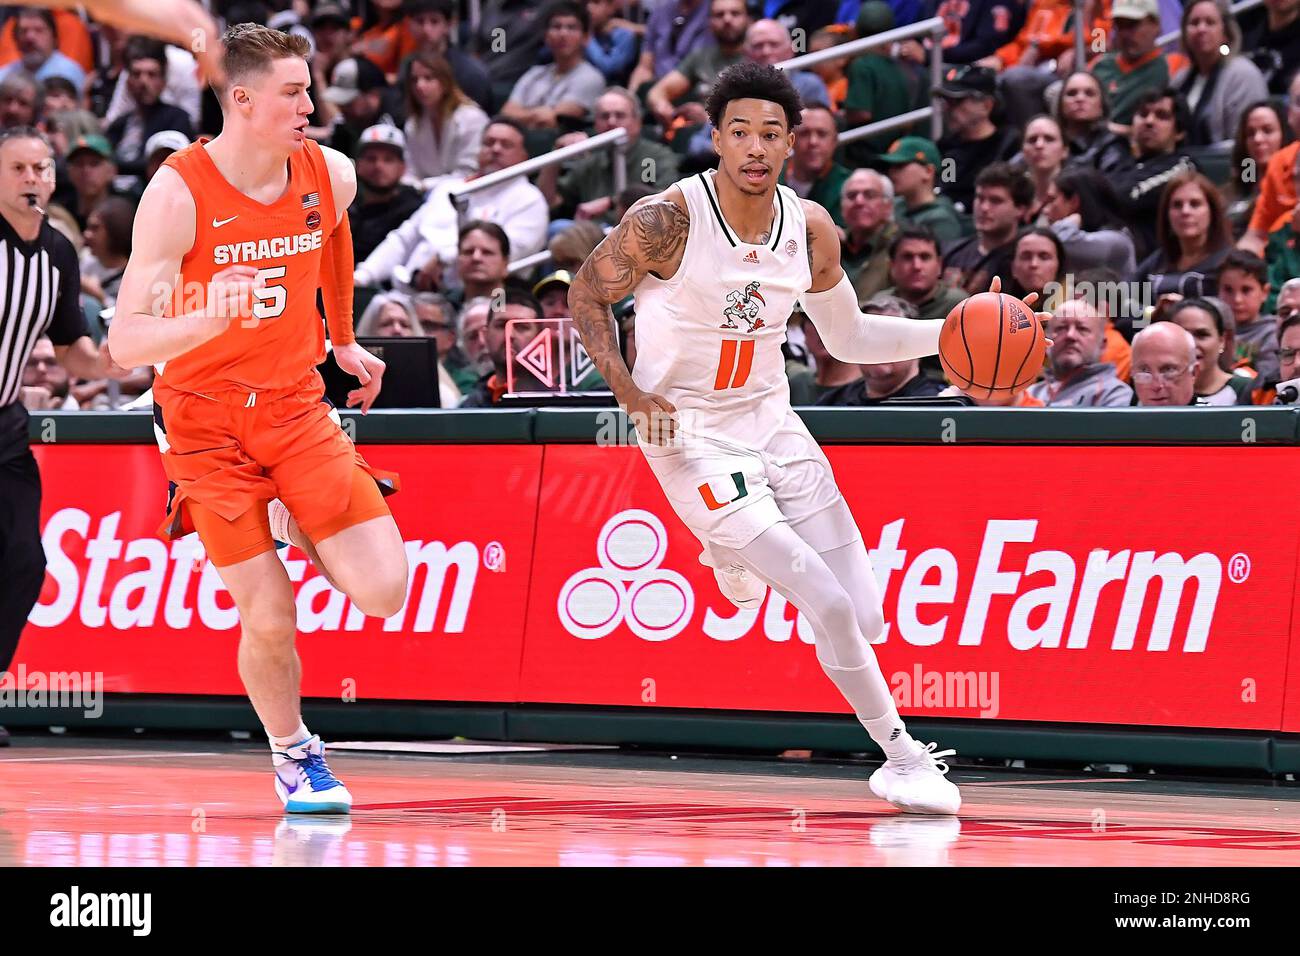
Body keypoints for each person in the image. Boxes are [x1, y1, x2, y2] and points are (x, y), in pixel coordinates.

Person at [568, 61, 1049, 815]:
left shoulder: (812, 227)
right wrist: (628, 391)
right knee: (821, 599)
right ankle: (901, 756)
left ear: (792, 143)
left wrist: (960, 333)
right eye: (739, 133)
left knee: (865, 616)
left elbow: (849, 335)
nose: (754, 148)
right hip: (688, 431)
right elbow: (587, 291)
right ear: (717, 139)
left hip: (773, 421)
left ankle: (725, 546)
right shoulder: (667, 219)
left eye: (770, 134)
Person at [107, 24, 409, 813]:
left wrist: (342, 338)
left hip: (294, 405)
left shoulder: (328, 172)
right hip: (204, 425)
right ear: (242, 101)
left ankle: (287, 512)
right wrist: (205, 320)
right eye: (294, 92)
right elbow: (123, 342)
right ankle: (295, 754)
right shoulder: (177, 193)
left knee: (383, 591)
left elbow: (334, 238)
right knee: (271, 613)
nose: (313, 103)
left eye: (309, 88)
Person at [0, 126, 131, 747]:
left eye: (41, 169)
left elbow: (70, 349)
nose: (32, 179)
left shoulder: (57, 252)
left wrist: (107, 362)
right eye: (19, 168)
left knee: (25, 560)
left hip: (5, 423)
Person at [353, 120, 548, 287]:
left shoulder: (530, 199)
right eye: (489, 143)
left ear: (524, 155)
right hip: (412, 290)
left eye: (506, 145)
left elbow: (506, 254)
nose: (495, 149)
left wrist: (444, 258)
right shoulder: (449, 188)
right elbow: (404, 239)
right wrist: (364, 276)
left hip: (488, 295)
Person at [1111, 88, 1198, 258]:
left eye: (1162, 116)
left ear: (1179, 132)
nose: (1149, 121)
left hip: (1157, 267)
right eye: (1143, 114)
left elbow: (1128, 196)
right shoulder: (1125, 165)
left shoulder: (1183, 166)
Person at [1172, 0, 1268, 147]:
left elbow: (1245, 144)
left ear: (1226, 34)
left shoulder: (1242, 74)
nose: (1201, 29)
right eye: (1194, 23)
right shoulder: (1180, 79)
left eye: (1210, 22)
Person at [816, 295, 944, 405]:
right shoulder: (832, 402)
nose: (877, 345)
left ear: (918, 345)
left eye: (890, 336)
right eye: (868, 338)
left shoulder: (939, 402)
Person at [500, 1, 605, 133]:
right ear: (546, 36)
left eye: (571, 27)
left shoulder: (591, 78)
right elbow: (505, 113)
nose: (563, 34)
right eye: (556, 27)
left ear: (585, 37)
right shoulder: (535, 73)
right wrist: (536, 114)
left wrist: (522, 115)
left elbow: (554, 118)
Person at [1133, 169, 1232, 304]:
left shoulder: (1228, 262)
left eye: (1195, 204)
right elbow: (1119, 300)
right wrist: (1150, 314)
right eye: (1177, 205)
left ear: (1212, 212)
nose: (1185, 212)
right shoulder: (1159, 259)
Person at [104, 37, 194, 181]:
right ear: (128, 82)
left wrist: (117, 167)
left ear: (163, 82)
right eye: (136, 74)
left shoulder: (177, 119)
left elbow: (164, 166)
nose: (143, 82)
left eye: (151, 75)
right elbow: (103, 161)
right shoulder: (119, 123)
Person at [934, 65, 1021, 213]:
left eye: (957, 101)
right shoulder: (948, 148)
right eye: (946, 102)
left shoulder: (1008, 144)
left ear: (986, 106)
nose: (949, 109)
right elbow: (946, 189)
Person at [1090, 0, 1188, 129]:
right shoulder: (1099, 65)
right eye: (1120, 26)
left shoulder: (1174, 66)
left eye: (1132, 25)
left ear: (1156, 25)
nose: (1125, 34)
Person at [941, 162, 1033, 294]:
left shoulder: (1025, 259)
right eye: (980, 198)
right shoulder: (952, 252)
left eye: (995, 201)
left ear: (1020, 209)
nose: (984, 208)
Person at [401, 51, 489, 185]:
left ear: (445, 82)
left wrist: (425, 185)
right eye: (414, 80)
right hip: (423, 196)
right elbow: (410, 172)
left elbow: (469, 173)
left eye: (428, 78)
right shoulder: (413, 124)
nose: (419, 86)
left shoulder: (472, 118)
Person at [1027, 299, 1135, 407]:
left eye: (1082, 329)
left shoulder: (1114, 393)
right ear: (1046, 339)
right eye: (1061, 328)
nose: (1070, 335)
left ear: (1102, 344)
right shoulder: (1030, 392)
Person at [348, 124, 424, 262]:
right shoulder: (344, 204)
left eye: (388, 159)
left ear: (402, 168)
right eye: (371, 158)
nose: (378, 166)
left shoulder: (414, 210)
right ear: (358, 165)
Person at [1042, 167, 1137, 275]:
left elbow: (1054, 244)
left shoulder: (1117, 241)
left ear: (1074, 201)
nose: (1045, 210)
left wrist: (1070, 223)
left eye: (1052, 200)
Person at [1161, 298, 1255, 404]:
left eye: (1202, 335)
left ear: (1222, 340)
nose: (1192, 344)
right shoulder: (1152, 389)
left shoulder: (1247, 389)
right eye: (1182, 335)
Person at [878, 136, 962, 244]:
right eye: (890, 167)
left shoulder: (942, 219)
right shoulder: (893, 205)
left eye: (900, 166)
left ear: (928, 171)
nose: (892, 172)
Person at [1215, 250, 1280, 383]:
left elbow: (1265, 382)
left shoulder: (1272, 333)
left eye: (1246, 290)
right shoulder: (1211, 331)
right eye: (1228, 290)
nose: (1237, 299)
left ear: (1265, 292)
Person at [1225, 101, 1289, 232]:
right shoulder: (1231, 194)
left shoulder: (1294, 189)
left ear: (1284, 135)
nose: (1258, 139)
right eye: (1250, 133)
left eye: (1267, 130)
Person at [881, 224, 966, 323]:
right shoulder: (880, 306)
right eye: (907, 257)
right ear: (892, 265)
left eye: (925, 257)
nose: (917, 266)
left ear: (939, 265)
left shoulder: (960, 306)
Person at [839, 168, 897, 304]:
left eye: (869, 195)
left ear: (887, 206)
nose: (859, 201)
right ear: (842, 207)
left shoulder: (903, 245)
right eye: (851, 195)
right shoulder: (831, 242)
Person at [1054, 71, 1128, 171]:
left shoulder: (1114, 145)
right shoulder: (1048, 141)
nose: (1080, 98)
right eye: (1072, 93)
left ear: (1101, 105)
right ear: (1060, 105)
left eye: (1089, 93)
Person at [1130, 321, 1204, 405]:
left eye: (1168, 370)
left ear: (1194, 373)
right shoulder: (1117, 416)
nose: (1156, 385)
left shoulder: (1214, 418)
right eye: (1144, 370)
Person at [1017, 115, 1068, 222]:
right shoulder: (1013, 193)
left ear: (1064, 150)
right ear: (1022, 151)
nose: (1039, 145)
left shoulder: (1074, 194)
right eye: (1032, 140)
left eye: (1049, 139)